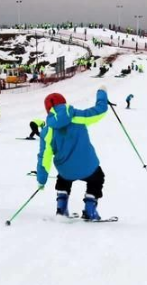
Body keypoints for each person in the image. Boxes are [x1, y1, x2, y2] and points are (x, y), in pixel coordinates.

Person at [37, 87, 108, 220]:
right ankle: (90, 210)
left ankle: (61, 209)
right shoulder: (76, 117)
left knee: (63, 179)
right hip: (88, 166)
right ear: (64, 103)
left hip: (65, 170)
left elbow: (44, 158)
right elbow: (100, 111)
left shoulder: (47, 131)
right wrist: (102, 93)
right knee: (97, 178)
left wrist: (41, 180)